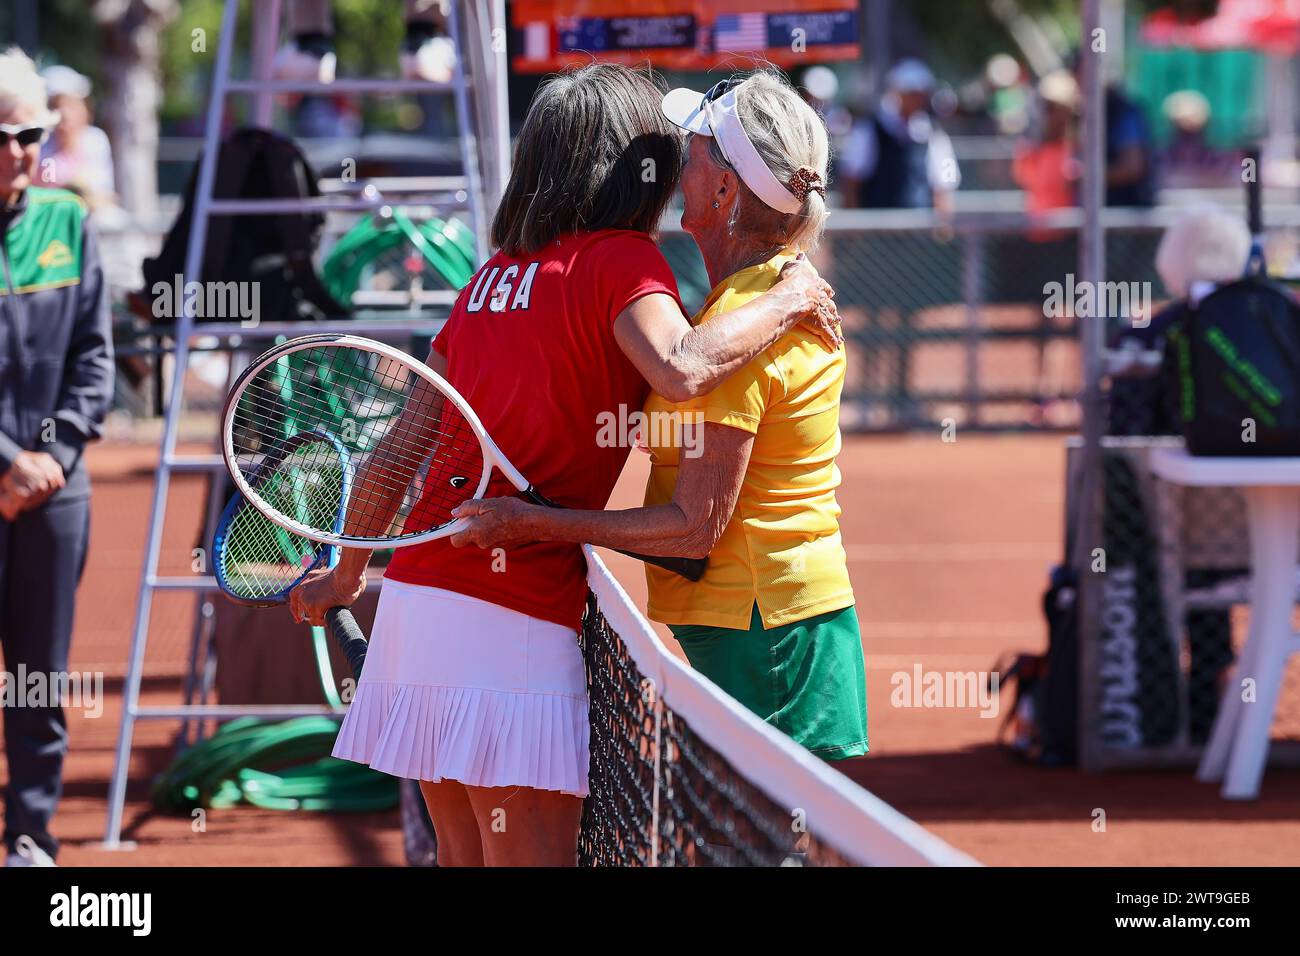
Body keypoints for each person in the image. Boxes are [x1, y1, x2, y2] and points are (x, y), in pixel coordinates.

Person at [289, 64, 840, 867]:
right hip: (509, 614)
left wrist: (345, 576)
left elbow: (400, 448)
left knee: (461, 857)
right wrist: (791, 298)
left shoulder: (486, 280)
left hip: (416, 606)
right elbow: (683, 367)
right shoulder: (622, 263)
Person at [452, 71, 868, 765]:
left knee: (766, 845)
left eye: (697, 144)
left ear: (727, 190)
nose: (679, 156)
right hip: (757, 621)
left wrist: (534, 524)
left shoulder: (745, 325)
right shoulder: (747, 308)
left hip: (767, 627)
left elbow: (693, 528)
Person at [0, 48, 114, 867]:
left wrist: (52, 454)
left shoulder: (67, 221)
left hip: (52, 488)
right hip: (14, 473)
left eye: (28, 133)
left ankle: (30, 837)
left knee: (38, 675)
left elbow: (95, 356)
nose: (15, 149)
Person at [840, 58, 960, 213]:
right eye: (912, 93)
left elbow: (945, 182)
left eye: (921, 94)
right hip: (876, 228)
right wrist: (854, 226)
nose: (918, 100)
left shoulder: (935, 134)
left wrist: (944, 223)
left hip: (920, 228)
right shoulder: (868, 129)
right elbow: (851, 177)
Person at [37, 65, 116, 210]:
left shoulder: (95, 140)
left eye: (71, 105)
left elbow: (104, 195)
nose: (64, 115)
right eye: (55, 105)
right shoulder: (39, 143)